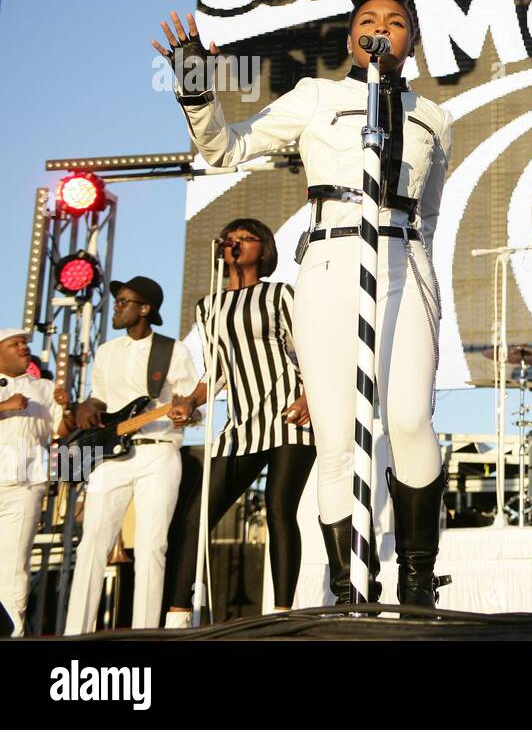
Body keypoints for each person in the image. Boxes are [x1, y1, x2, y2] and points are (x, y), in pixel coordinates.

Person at [153, 0, 453, 606]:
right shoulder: (316, 97)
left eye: (396, 22)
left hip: (405, 264)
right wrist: (196, 85)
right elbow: (225, 151)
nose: (381, 30)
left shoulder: (435, 116)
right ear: (351, 39)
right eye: (368, 21)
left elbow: (429, 214)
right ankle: (345, 585)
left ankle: (418, 579)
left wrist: (429, 285)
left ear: (412, 40)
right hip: (329, 265)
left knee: (407, 416)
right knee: (338, 434)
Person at [161, 218, 315, 626]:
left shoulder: (280, 295)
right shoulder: (208, 305)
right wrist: (190, 402)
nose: (237, 243)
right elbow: (216, 371)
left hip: (288, 416)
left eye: (247, 238)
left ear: (263, 250)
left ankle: (281, 612)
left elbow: (310, 352)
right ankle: (177, 613)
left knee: (279, 506)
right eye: (232, 237)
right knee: (197, 514)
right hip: (241, 423)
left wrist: (309, 398)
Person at [64, 277, 200, 634]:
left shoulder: (173, 351)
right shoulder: (107, 352)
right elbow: (99, 399)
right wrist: (85, 408)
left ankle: (144, 632)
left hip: (158, 454)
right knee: (92, 542)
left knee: (153, 545)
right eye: (118, 301)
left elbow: (191, 405)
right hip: (111, 457)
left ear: (145, 309)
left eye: (125, 302)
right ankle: (76, 631)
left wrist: (186, 411)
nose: (118, 307)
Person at [0, 328, 70, 636]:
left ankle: (11, 631)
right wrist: (5, 407)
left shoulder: (43, 388)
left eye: (25, 343)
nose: (23, 347)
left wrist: (67, 408)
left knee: (15, 565)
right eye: (15, 343)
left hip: (24, 485)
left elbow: (63, 433)